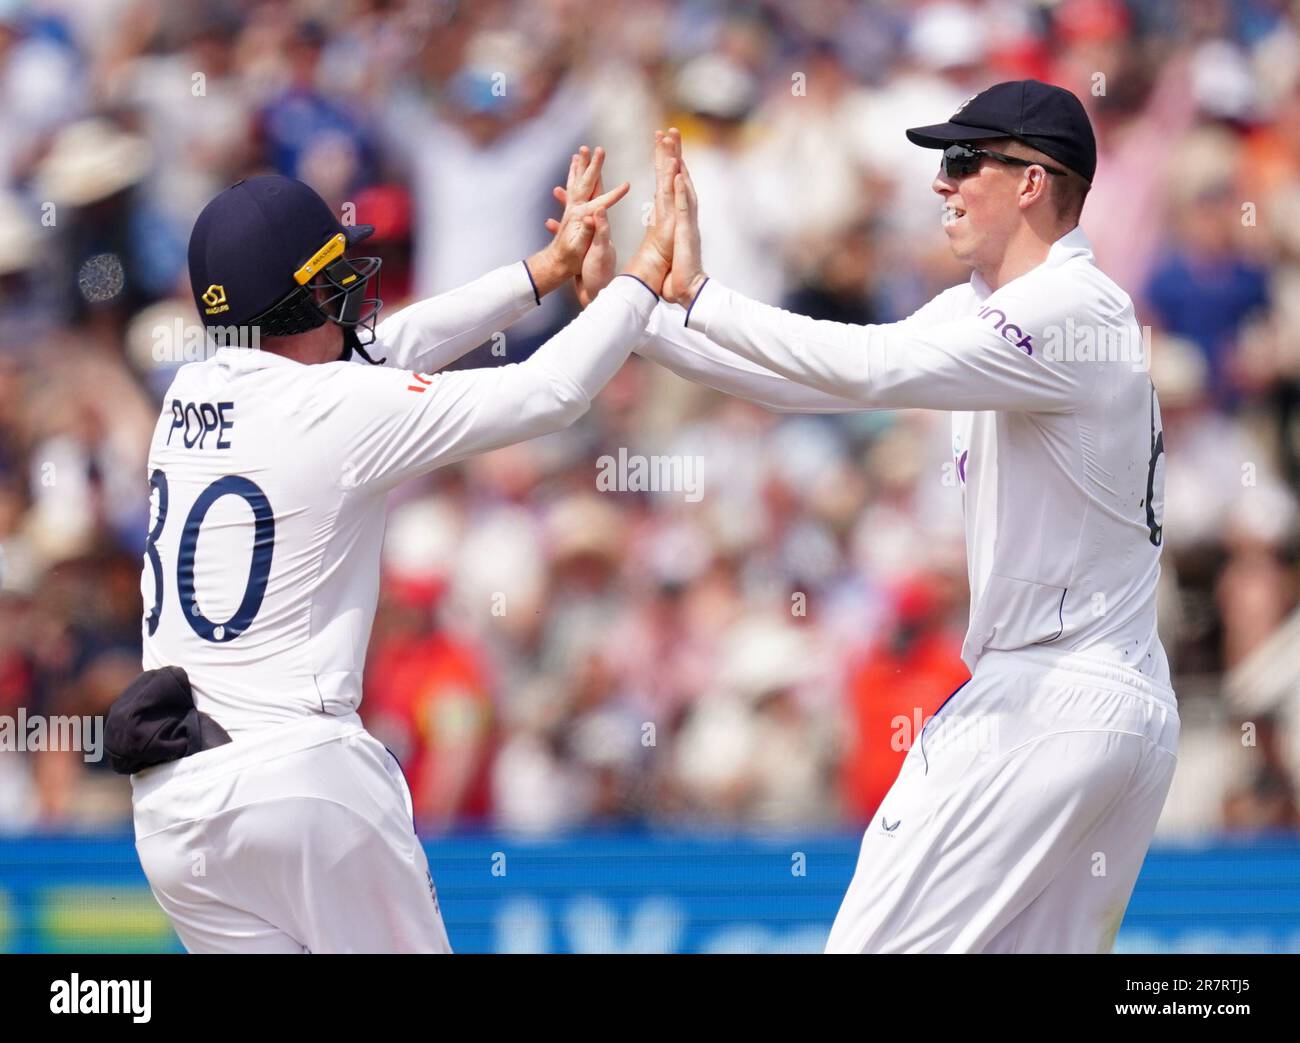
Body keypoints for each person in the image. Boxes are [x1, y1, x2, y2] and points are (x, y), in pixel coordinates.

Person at [625, 81, 1180, 953]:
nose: (941, 182)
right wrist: (633, 313)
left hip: (1047, 697)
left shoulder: (1069, 308)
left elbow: (872, 366)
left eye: (964, 161)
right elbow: (811, 380)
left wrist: (699, 292)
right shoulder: (993, 305)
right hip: (1111, 704)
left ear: (1032, 181)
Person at [121, 144, 676, 953]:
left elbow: (383, 353)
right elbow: (550, 391)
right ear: (301, 294)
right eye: (329, 275)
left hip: (174, 806)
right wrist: (639, 286)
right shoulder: (335, 406)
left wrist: (542, 271)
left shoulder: (188, 397)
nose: (350, 288)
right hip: (303, 781)